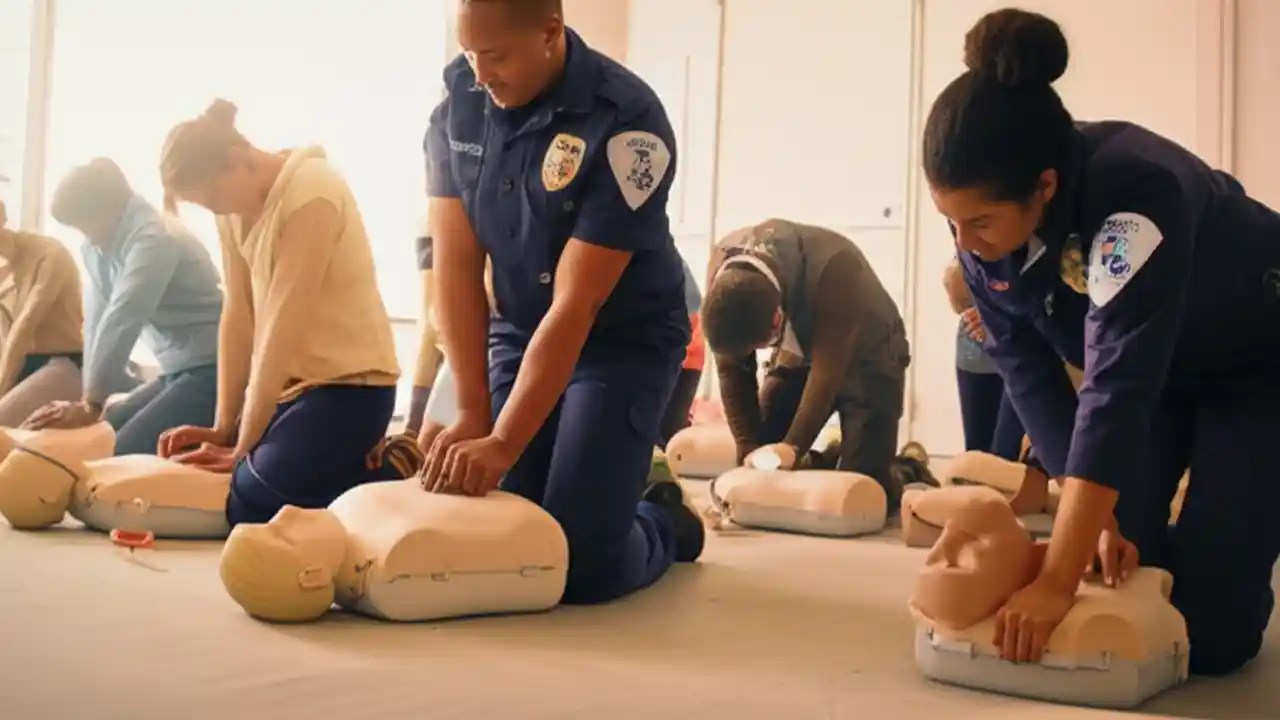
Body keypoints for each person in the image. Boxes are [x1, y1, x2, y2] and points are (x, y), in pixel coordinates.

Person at [924, 7, 1280, 675]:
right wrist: (1087, 526)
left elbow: (1117, 384)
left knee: (1213, 637)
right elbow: (1029, 376)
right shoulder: (980, 241)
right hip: (1162, 375)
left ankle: (1222, 561)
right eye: (950, 222)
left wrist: (1054, 581)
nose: (964, 245)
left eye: (979, 222)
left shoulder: (1134, 195)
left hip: (1256, 365)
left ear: (1046, 187)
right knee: (1116, 558)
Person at [419, 0, 704, 605]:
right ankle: (607, 475)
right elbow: (457, 266)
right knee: (513, 531)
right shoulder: (459, 110)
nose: (480, 75)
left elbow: (578, 306)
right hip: (521, 330)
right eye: (469, 54)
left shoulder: (629, 123)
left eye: (494, 57)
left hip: (621, 340)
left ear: (551, 32)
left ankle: (661, 520)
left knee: (578, 560)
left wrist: (502, 442)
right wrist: (474, 412)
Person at [155, 99, 422, 526]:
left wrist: (242, 447)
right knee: (242, 480)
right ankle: (345, 468)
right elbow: (238, 314)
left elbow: (279, 328)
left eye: (211, 198)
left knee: (253, 493)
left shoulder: (312, 191)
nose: (214, 211)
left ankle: (395, 465)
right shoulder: (233, 212)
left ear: (239, 160)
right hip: (291, 394)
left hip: (351, 390)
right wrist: (224, 427)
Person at [701, 218, 911, 504]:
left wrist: (792, 446)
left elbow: (828, 372)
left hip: (870, 354)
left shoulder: (836, 267)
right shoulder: (723, 269)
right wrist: (748, 448)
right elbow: (730, 371)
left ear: (777, 318)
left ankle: (904, 470)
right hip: (799, 353)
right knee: (764, 460)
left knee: (863, 493)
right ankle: (824, 458)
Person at [22, 159, 223, 455]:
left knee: (118, 449)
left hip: (214, 368)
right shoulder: (97, 249)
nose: (85, 234)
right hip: (174, 372)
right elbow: (96, 321)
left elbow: (124, 316)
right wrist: (90, 401)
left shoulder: (155, 237)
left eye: (84, 223)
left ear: (109, 210)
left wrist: (91, 403)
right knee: (100, 432)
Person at [0, 189, 84, 427]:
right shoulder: (7, 268)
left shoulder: (48, 254)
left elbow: (24, 326)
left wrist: (2, 388)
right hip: (22, 367)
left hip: (61, 363)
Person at [943, 257, 1023, 460]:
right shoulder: (968, 248)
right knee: (977, 452)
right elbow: (956, 293)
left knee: (1006, 451)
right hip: (975, 349)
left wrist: (996, 314)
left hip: (1021, 352)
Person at [657, 257, 705, 447]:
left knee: (668, 433)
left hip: (684, 358)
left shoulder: (666, 262)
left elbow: (691, 307)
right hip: (675, 355)